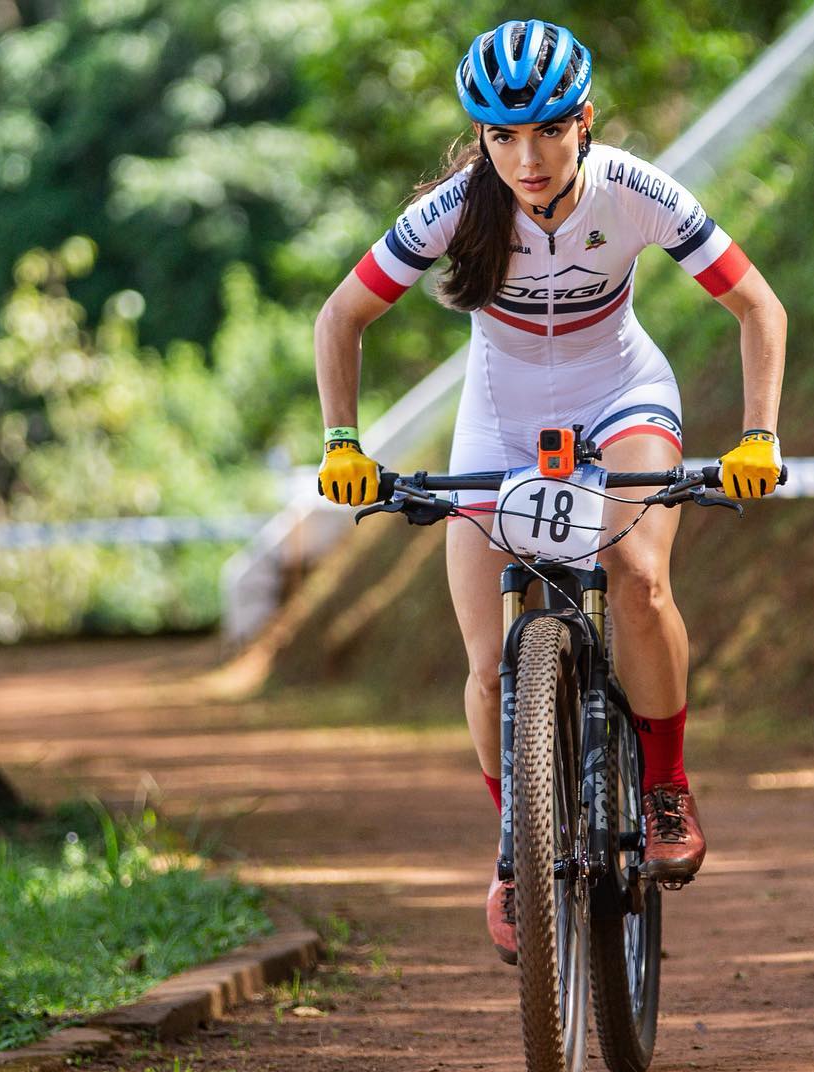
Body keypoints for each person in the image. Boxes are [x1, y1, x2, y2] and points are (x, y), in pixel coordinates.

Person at [314, 19, 787, 964]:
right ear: (481, 138)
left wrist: (759, 433)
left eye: (545, 132)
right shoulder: (455, 207)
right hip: (498, 420)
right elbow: (342, 316)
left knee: (637, 576)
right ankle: (510, 852)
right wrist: (342, 441)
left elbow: (756, 305)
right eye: (500, 137)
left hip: (622, 398)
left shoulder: (634, 190)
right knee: (488, 663)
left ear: (585, 122)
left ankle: (664, 785)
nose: (524, 159)